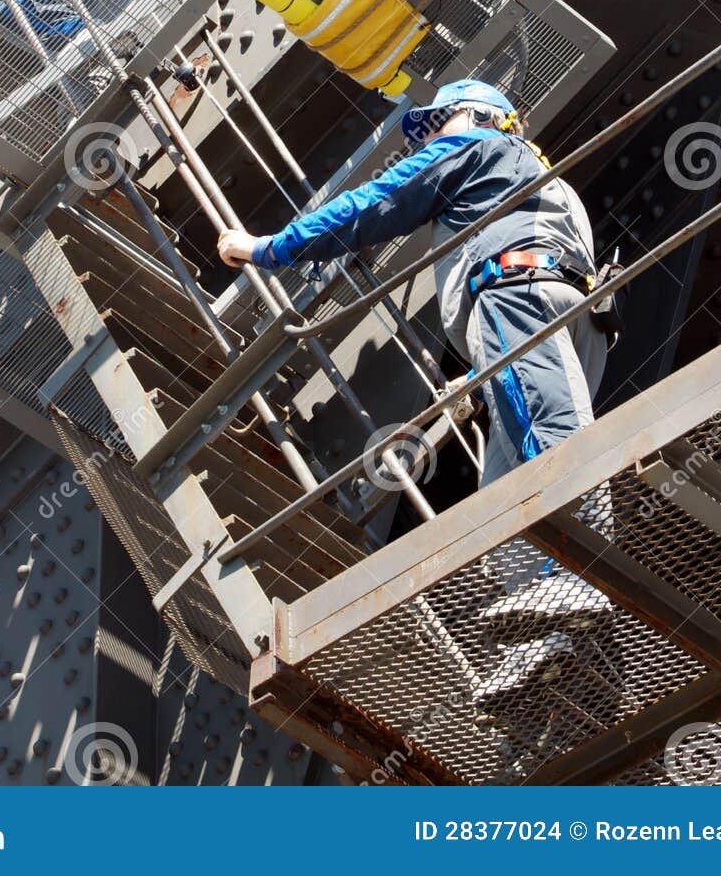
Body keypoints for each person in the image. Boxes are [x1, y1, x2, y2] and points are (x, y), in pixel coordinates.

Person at [217, 77, 612, 706]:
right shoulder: (541, 176)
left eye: (434, 126)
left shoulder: (477, 145)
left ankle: (574, 577)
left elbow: (376, 203)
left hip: (514, 293)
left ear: (477, 115)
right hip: (575, 310)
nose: (426, 141)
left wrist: (267, 248)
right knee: (505, 494)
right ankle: (546, 636)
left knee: (550, 432)